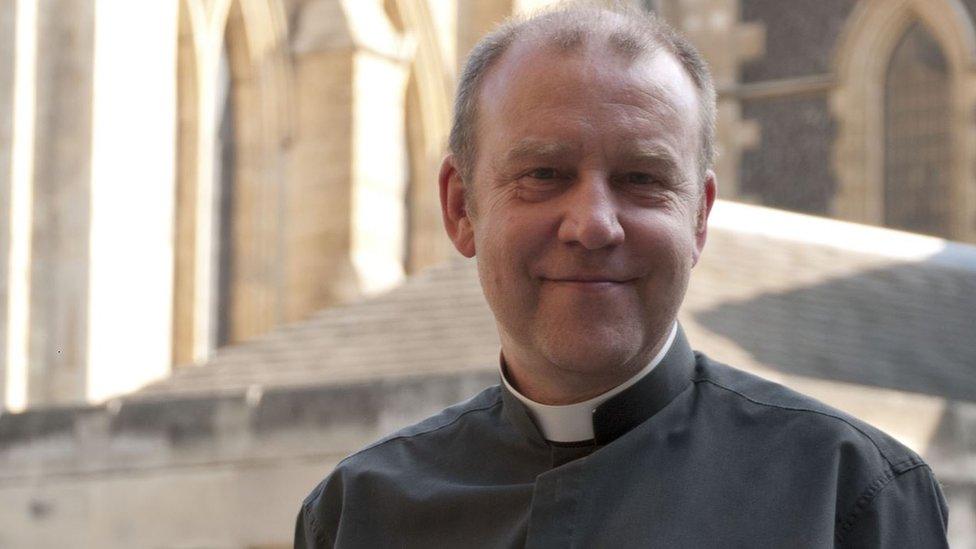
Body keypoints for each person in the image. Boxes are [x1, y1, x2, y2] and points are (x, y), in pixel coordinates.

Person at [295, 4, 950, 547]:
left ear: (699, 216)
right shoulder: (356, 513)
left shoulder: (852, 495)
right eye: (544, 175)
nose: (593, 224)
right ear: (460, 207)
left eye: (642, 179)